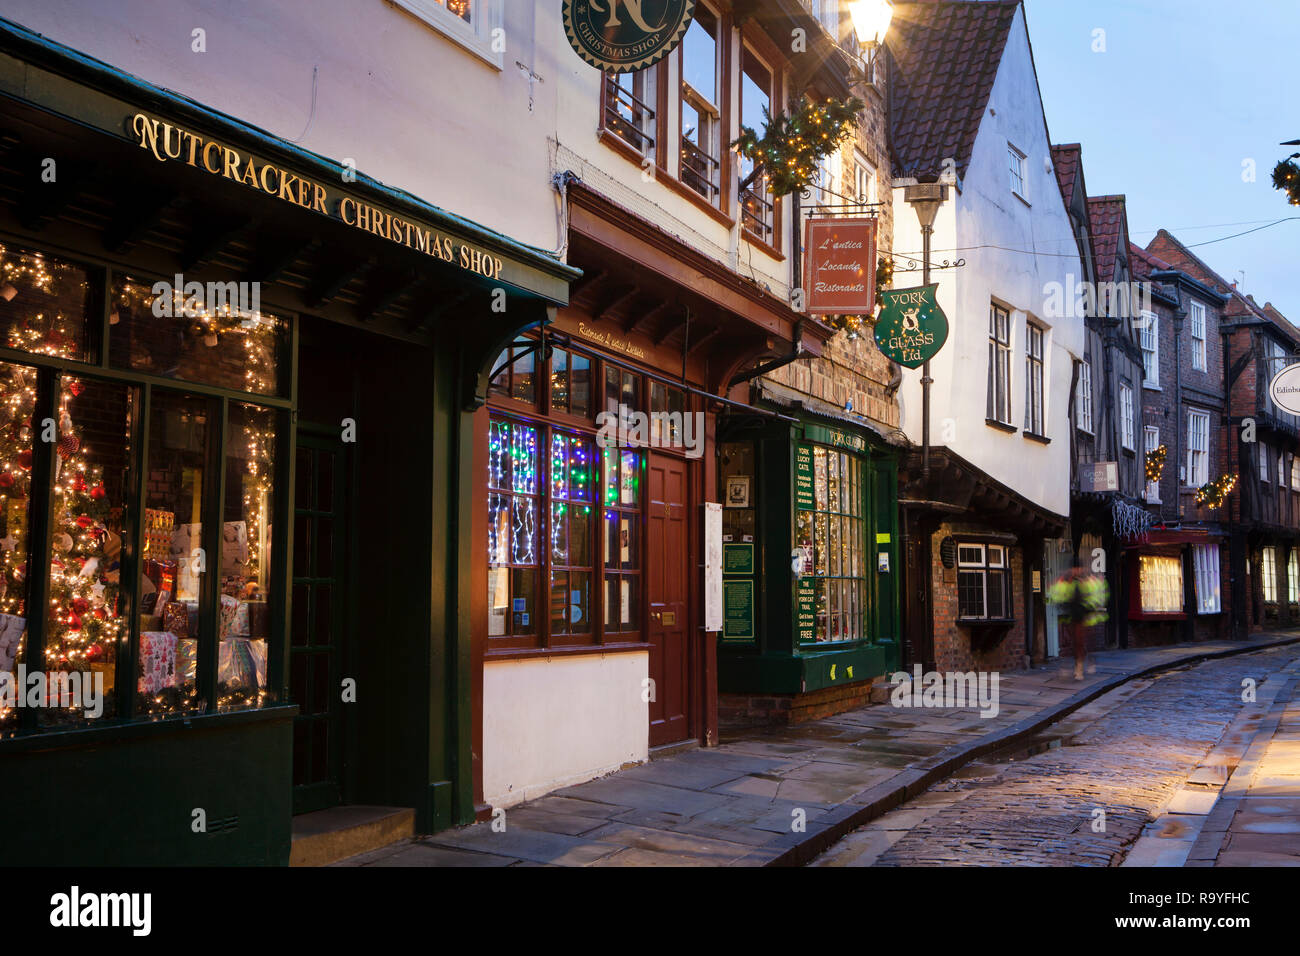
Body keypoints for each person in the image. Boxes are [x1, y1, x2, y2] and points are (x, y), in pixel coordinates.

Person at [1047, 558, 1109, 680]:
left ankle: (1080, 667)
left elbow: (1098, 594)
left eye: (1078, 568)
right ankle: (1081, 665)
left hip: (1085, 615)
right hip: (1071, 615)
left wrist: (1091, 607)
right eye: (1074, 569)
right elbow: (1056, 594)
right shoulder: (1066, 581)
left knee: (1081, 642)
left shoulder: (1089, 581)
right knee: (1075, 643)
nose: (1076, 571)